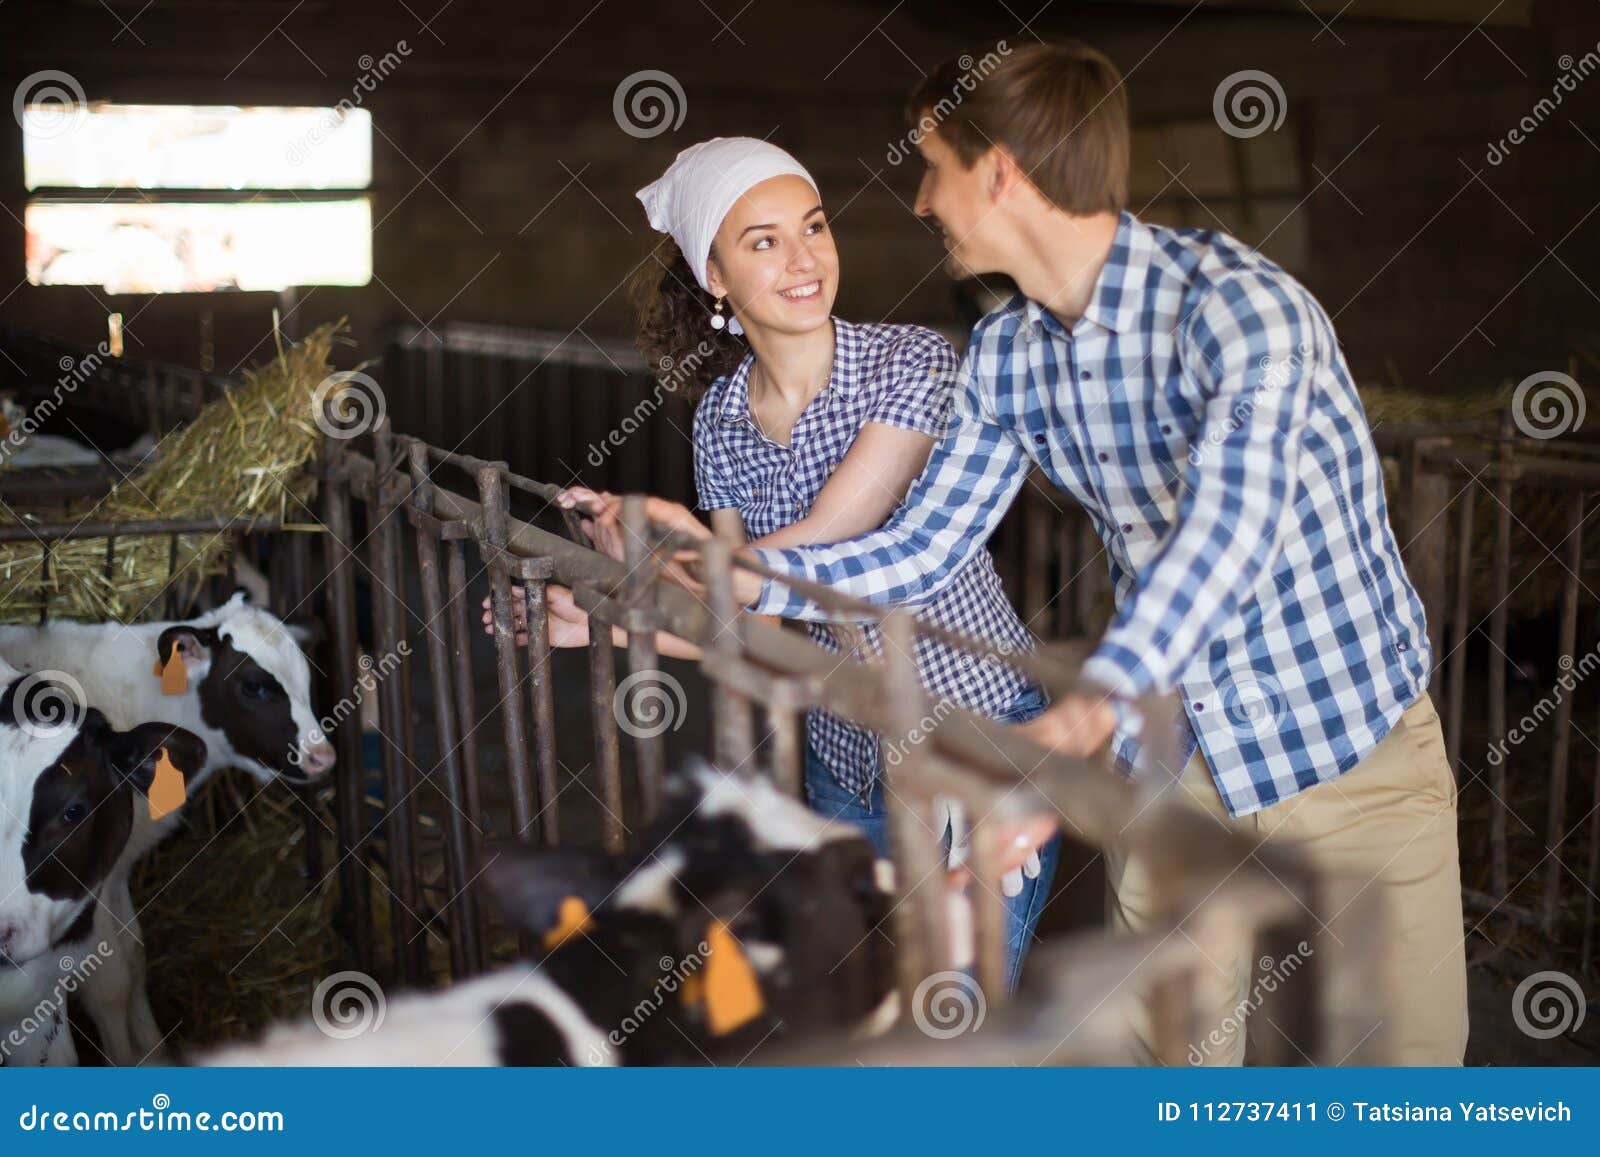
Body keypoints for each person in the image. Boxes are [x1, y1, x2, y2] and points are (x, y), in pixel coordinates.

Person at [727, 42, 1467, 1065]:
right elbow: (924, 543)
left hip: (1350, 763)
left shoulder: (1242, 311)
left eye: (932, 164)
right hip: (1175, 776)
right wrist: (746, 573)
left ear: (998, 173)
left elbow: (1231, 528)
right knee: (1166, 1078)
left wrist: (1100, 694)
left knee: (1402, 1084)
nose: (917, 198)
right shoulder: (1008, 354)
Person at [485, 137, 1059, 993]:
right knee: (856, 1014)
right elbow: (753, 626)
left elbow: (828, 544)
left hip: (968, 737)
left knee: (955, 1014)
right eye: (763, 240)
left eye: (815, 227)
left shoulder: (914, 361)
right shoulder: (721, 418)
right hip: (844, 756)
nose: (805, 259)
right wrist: (604, 618)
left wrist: (674, 554)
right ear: (713, 273)